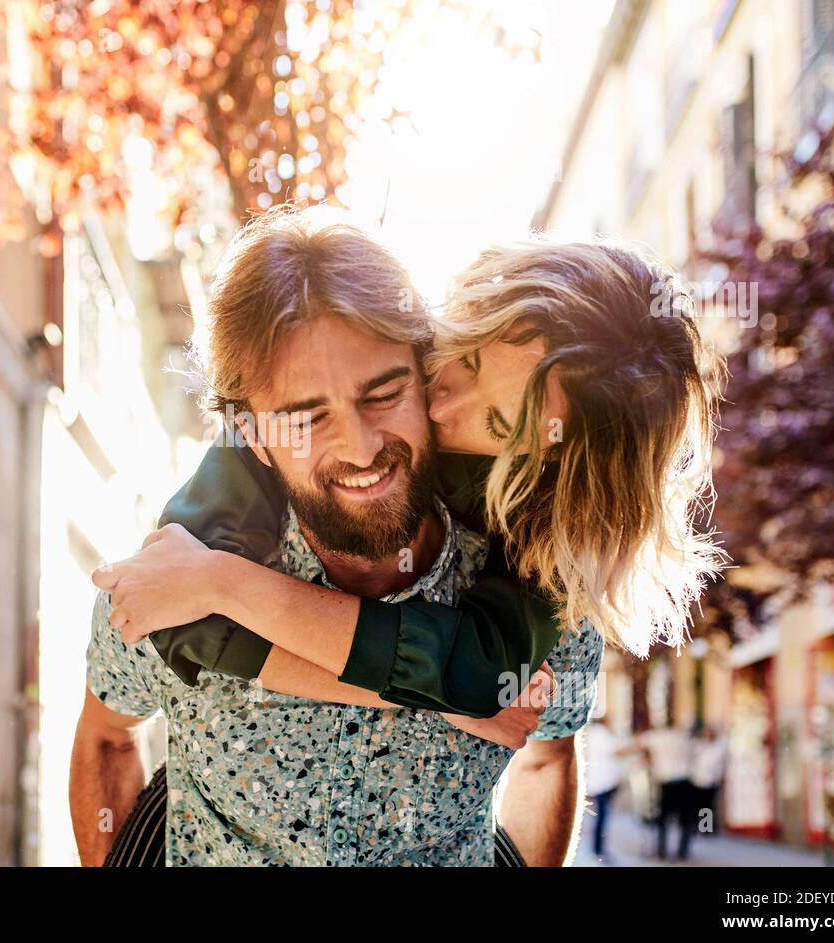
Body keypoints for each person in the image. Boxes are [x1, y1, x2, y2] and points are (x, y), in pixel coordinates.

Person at [72, 211, 599, 866]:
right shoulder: (170, 582)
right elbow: (107, 739)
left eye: (384, 393)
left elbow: (547, 763)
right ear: (252, 437)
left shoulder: (545, 579)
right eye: (305, 419)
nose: (360, 447)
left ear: (427, 374)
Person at [642, 722, 696, 861]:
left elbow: (638, 746)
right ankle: (682, 853)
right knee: (685, 820)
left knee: (663, 819)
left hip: (667, 782)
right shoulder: (684, 736)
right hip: (684, 781)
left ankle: (662, 851)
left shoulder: (655, 737)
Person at [582, 716, 627, 862]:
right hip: (602, 782)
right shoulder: (601, 734)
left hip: (599, 780)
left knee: (600, 817)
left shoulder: (593, 734)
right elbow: (615, 751)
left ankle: (598, 848)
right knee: (601, 817)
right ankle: (598, 849)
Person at [690, 723, 728, 837]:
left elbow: (720, 764)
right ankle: (702, 827)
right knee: (700, 805)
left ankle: (707, 828)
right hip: (698, 779)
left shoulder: (718, 747)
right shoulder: (698, 746)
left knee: (708, 805)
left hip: (711, 780)